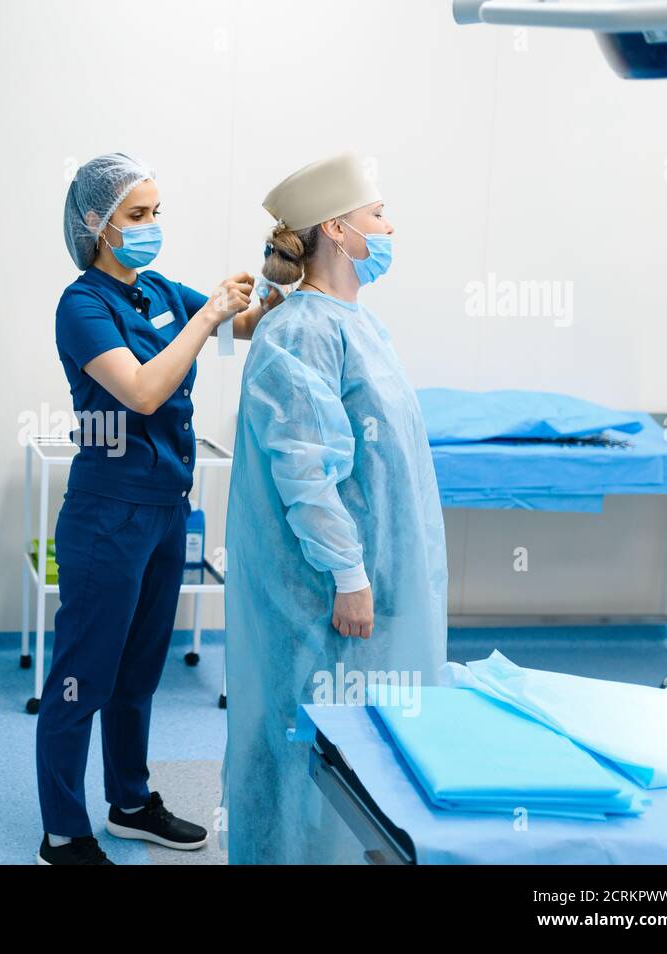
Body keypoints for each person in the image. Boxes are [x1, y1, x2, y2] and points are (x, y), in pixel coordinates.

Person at [38, 152, 270, 865]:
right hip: (108, 512)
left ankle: (131, 802)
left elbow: (245, 324)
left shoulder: (159, 289)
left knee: (140, 672)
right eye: (137, 217)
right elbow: (141, 391)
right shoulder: (82, 306)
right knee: (83, 677)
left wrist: (292, 277)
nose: (151, 227)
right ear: (97, 226)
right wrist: (205, 318)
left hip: (168, 507)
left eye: (156, 214)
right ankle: (63, 833)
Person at [222, 152, 448, 864]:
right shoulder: (300, 333)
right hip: (320, 595)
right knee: (304, 735)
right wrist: (348, 574)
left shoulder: (356, 325)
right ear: (337, 230)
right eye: (377, 214)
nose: (389, 226)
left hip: (374, 580)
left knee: (364, 746)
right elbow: (307, 473)